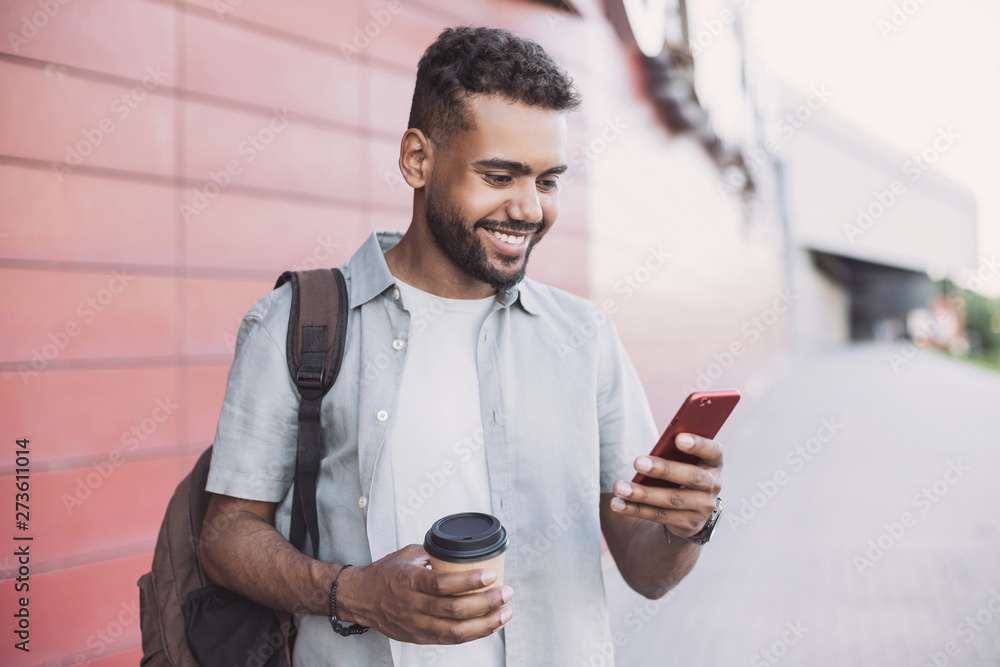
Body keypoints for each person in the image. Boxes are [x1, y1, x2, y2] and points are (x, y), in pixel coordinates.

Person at [200, 25, 724, 667]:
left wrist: (684, 525)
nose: (530, 209)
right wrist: (358, 594)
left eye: (548, 180)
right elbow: (225, 538)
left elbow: (649, 572)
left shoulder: (584, 339)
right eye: (500, 174)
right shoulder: (295, 323)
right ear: (417, 159)